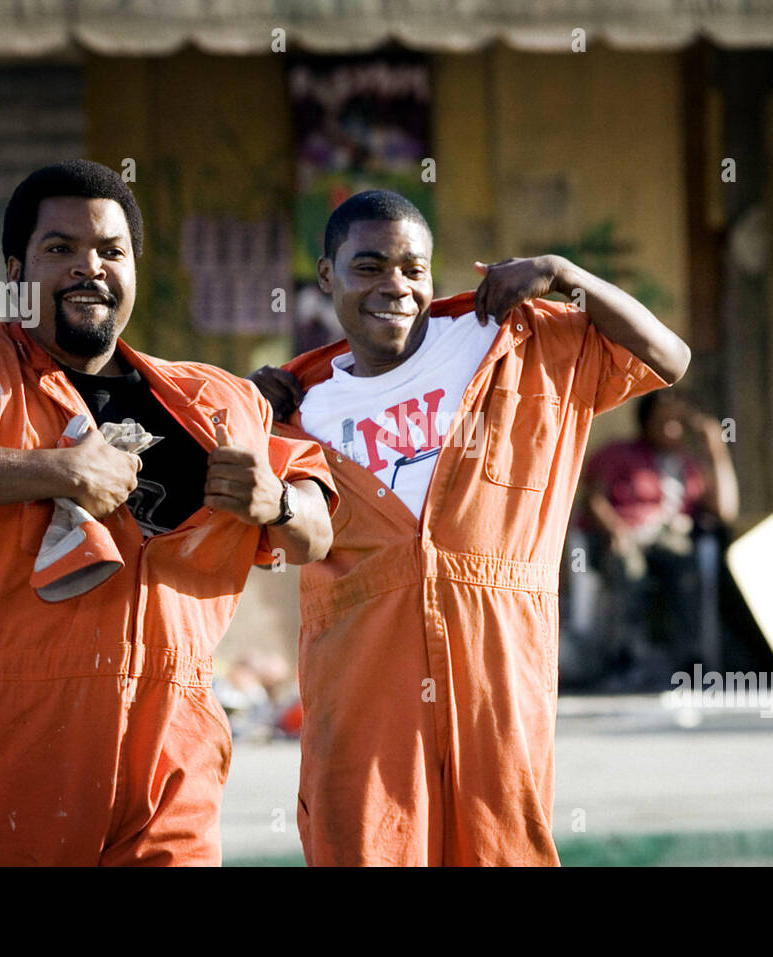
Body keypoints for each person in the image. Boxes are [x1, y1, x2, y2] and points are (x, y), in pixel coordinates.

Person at [0, 160, 336, 866]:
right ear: (15, 271)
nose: (89, 268)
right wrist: (57, 471)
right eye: (59, 249)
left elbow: (318, 529)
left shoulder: (213, 401)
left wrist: (279, 501)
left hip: (172, 761)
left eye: (110, 250)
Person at [250, 189, 690, 865]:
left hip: (498, 674)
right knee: (365, 847)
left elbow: (669, 356)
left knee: (501, 848)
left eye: (412, 268)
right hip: (361, 684)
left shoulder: (515, 344)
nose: (393, 286)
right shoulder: (299, 407)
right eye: (369, 267)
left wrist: (564, 274)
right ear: (327, 276)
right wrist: (252, 408)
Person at [574, 390, 739, 689]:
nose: (671, 429)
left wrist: (716, 447)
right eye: (663, 421)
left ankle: (688, 665)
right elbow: (594, 501)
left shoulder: (689, 466)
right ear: (644, 423)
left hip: (669, 543)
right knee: (629, 570)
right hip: (623, 537)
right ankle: (626, 660)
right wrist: (616, 531)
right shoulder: (618, 454)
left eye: (677, 423)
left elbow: (725, 511)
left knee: (687, 570)